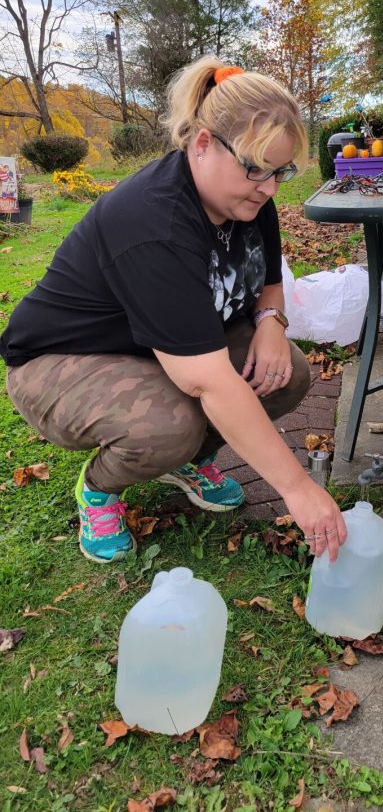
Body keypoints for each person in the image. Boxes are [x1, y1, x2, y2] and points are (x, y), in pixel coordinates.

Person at [0, 57, 347, 564]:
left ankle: (187, 462)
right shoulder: (153, 223)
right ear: (203, 144)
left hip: (155, 346)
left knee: (287, 371)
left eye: (280, 171)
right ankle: (99, 488)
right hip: (62, 362)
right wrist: (297, 489)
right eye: (256, 169)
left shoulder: (248, 198)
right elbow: (208, 380)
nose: (270, 188)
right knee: (169, 425)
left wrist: (271, 323)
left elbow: (269, 280)